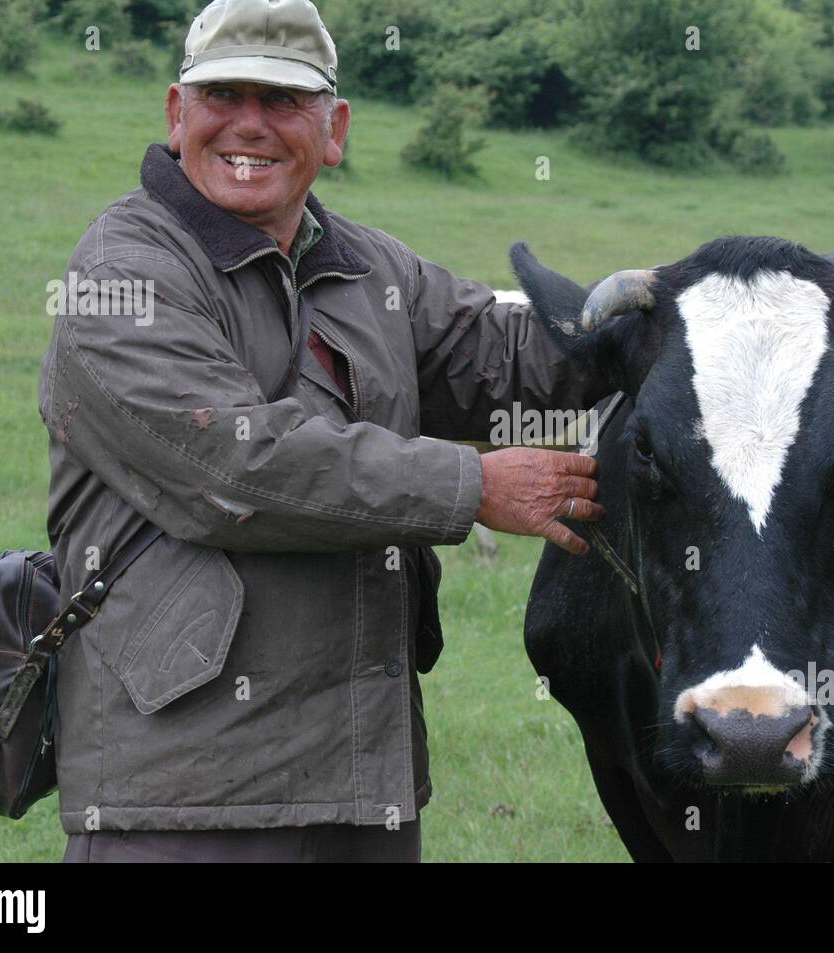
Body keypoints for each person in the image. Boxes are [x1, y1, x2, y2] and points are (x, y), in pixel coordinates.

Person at [40, 0, 607, 862]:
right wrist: (474, 486)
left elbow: (514, 357)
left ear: (333, 128)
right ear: (175, 113)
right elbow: (235, 465)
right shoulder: (122, 273)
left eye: (283, 101)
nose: (250, 125)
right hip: (181, 802)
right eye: (223, 95)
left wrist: (703, 304)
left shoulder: (370, 268)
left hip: (361, 788)